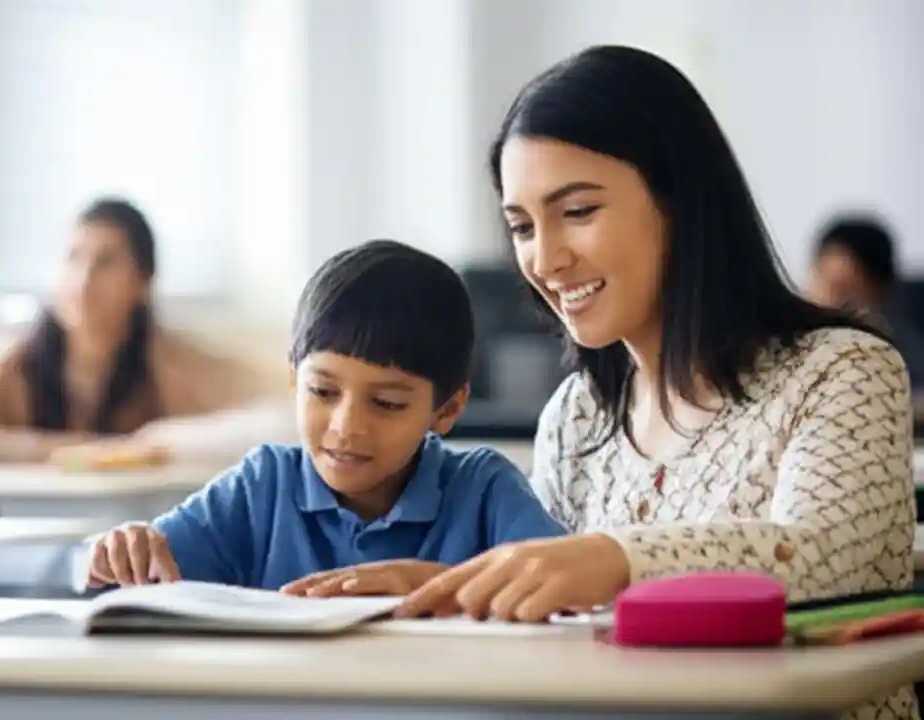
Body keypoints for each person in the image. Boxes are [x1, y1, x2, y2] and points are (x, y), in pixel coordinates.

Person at [338, 47, 909, 719]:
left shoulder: (844, 371)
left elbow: (822, 557)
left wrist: (613, 559)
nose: (545, 260)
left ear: (680, 202)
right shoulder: (576, 417)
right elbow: (569, 622)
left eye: (577, 211)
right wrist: (464, 589)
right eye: (522, 226)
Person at [85, 240, 565, 591]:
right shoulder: (262, 488)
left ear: (448, 408)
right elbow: (127, 573)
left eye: (388, 403)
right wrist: (117, 553)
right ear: (295, 381)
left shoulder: (483, 490)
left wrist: (437, 585)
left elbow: (567, 593)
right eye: (322, 391)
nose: (346, 427)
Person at [0, 198, 289, 465]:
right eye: (73, 257)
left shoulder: (170, 358)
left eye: (106, 262)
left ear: (143, 280)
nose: (83, 280)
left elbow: (279, 405)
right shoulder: (11, 352)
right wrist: (81, 450)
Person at [806, 214, 924, 414]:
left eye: (841, 289)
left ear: (880, 289)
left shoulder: (901, 333)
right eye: (820, 280)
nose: (824, 298)